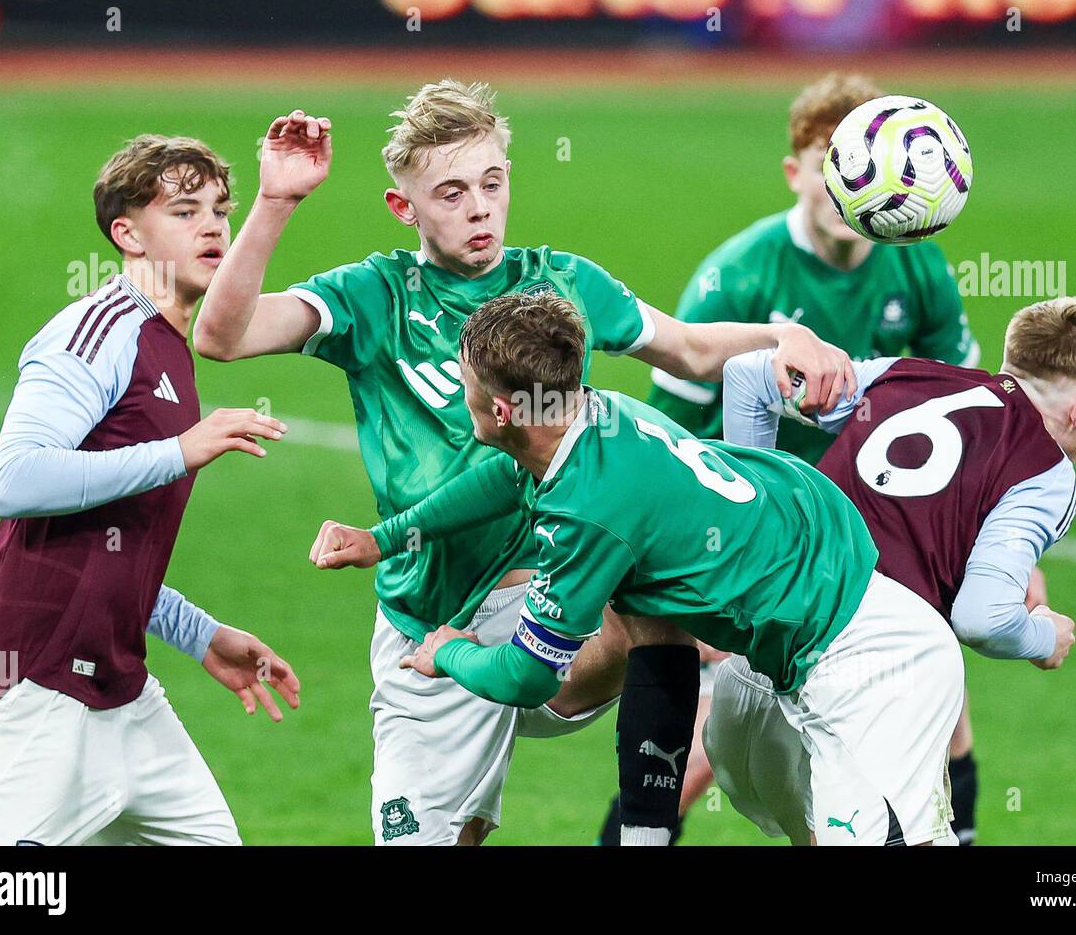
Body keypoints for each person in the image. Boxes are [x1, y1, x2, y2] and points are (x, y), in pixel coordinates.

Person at [194, 83, 853, 846]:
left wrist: (781, 336)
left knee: (659, 596)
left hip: (552, 601)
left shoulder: (562, 285)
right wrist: (276, 200)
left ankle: (653, 830)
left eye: (491, 184)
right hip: (429, 620)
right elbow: (221, 337)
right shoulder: (374, 296)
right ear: (404, 207)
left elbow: (693, 349)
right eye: (451, 193)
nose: (479, 209)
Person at [313, 291, 965, 846]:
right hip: (796, 642)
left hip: (867, 662)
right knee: (753, 770)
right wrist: (384, 539)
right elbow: (507, 481)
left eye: (466, 383)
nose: (462, 393)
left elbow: (528, 677)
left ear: (503, 410)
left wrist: (449, 652)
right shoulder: (596, 415)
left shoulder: (588, 518)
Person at [639, 72, 991, 843]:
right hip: (762, 534)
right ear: (797, 171)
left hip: (871, 523)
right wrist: (705, 564)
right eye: (836, 163)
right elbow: (669, 436)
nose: (851, 186)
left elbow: (965, 410)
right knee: (701, 748)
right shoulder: (739, 274)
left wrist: (997, 541)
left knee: (943, 710)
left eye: (867, 164)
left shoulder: (917, 266)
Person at [0, 135, 299, 846]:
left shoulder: (170, 346)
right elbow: (13, 479)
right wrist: (179, 451)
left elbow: (111, 544)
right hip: (35, 682)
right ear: (128, 235)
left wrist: (200, 634)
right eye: (184, 211)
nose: (212, 227)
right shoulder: (98, 330)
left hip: (120, 692)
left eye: (219, 210)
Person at [707, 295, 1076, 843]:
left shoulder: (905, 376)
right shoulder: (1046, 472)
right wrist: (1043, 637)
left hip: (749, 678)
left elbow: (749, 378)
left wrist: (756, 532)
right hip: (865, 686)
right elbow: (984, 617)